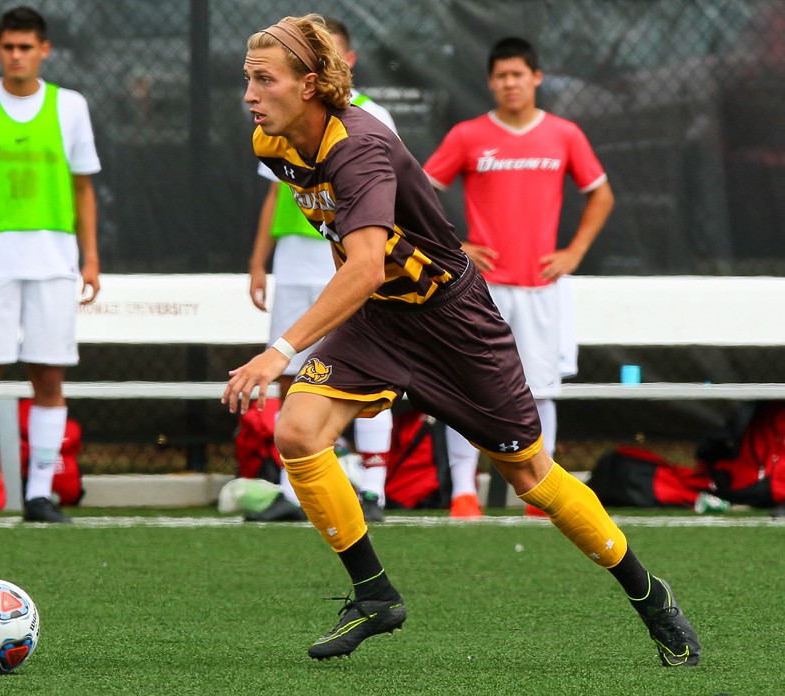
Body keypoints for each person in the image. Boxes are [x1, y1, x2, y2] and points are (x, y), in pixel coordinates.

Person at [226, 14, 699, 666]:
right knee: (298, 432)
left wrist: (279, 351)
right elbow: (363, 261)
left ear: (308, 85)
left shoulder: (358, 146)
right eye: (247, 78)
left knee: (531, 476)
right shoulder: (272, 143)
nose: (249, 95)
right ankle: (374, 594)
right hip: (380, 320)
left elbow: (364, 267)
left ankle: (648, 594)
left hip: (454, 324)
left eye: (263, 80)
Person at [423, 37, 615, 519]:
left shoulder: (564, 134)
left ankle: (543, 497)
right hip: (478, 288)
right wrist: (454, 247)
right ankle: (463, 494)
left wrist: (575, 251)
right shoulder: (468, 135)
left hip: (540, 288)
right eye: (501, 76)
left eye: (518, 75)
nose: (510, 83)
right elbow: (418, 193)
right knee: (467, 388)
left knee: (540, 388)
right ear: (491, 82)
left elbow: (602, 194)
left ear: (536, 78)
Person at [0, 5, 100, 523]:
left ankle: (39, 495)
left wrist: (92, 258)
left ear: (44, 50)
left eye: (26, 47)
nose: (16, 56)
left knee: (48, 377)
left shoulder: (70, 106)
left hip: (54, 261)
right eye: (8, 47)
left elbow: (83, 187)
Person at [246, 17, 396, 524]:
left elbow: (384, 199)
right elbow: (276, 190)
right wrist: (259, 260)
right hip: (296, 254)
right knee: (290, 370)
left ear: (336, 64)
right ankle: (295, 490)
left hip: (355, 258)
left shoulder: (370, 119)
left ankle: (373, 488)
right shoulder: (277, 123)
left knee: (370, 371)